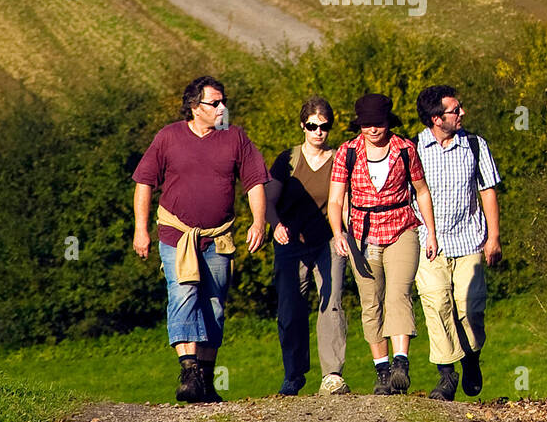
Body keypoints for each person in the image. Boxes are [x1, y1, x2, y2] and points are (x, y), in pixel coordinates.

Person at [131, 76, 269, 404]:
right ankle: (188, 371)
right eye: (214, 103)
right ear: (195, 107)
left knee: (214, 305)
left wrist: (259, 222)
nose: (222, 108)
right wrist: (141, 229)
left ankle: (206, 379)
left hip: (218, 238)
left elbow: (254, 182)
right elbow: (144, 182)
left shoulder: (235, 137)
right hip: (176, 235)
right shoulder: (169, 137)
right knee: (183, 294)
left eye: (223, 102)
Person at [328, 93, 437, 395]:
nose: (373, 129)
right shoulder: (346, 153)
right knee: (371, 301)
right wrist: (338, 233)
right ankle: (383, 370)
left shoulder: (405, 149)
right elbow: (335, 199)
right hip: (361, 234)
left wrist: (431, 231)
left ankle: (401, 362)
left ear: (388, 122)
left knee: (399, 292)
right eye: (367, 124)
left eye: (378, 123)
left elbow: (421, 191)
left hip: (401, 226)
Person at [414, 85, 502, 401]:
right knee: (437, 304)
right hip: (428, 243)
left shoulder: (475, 146)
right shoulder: (413, 149)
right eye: (455, 109)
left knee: (471, 309)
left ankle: (472, 358)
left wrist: (494, 237)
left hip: (470, 241)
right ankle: (447, 375)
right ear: (437, 119)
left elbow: (488, 190)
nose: (462, 113)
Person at [265, 97, 349, 396]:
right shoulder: (287, 159)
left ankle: (332, 375)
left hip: (328, 240)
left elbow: (348, 201)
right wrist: (275, 226)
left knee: (332, 300)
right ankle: (293, 374)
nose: (318, 132)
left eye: (324, 126)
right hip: (291, 242)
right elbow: (268, 201)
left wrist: (346, 235)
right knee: (290, 309)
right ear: (303, 126)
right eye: (312, 126)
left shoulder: (341, 159)